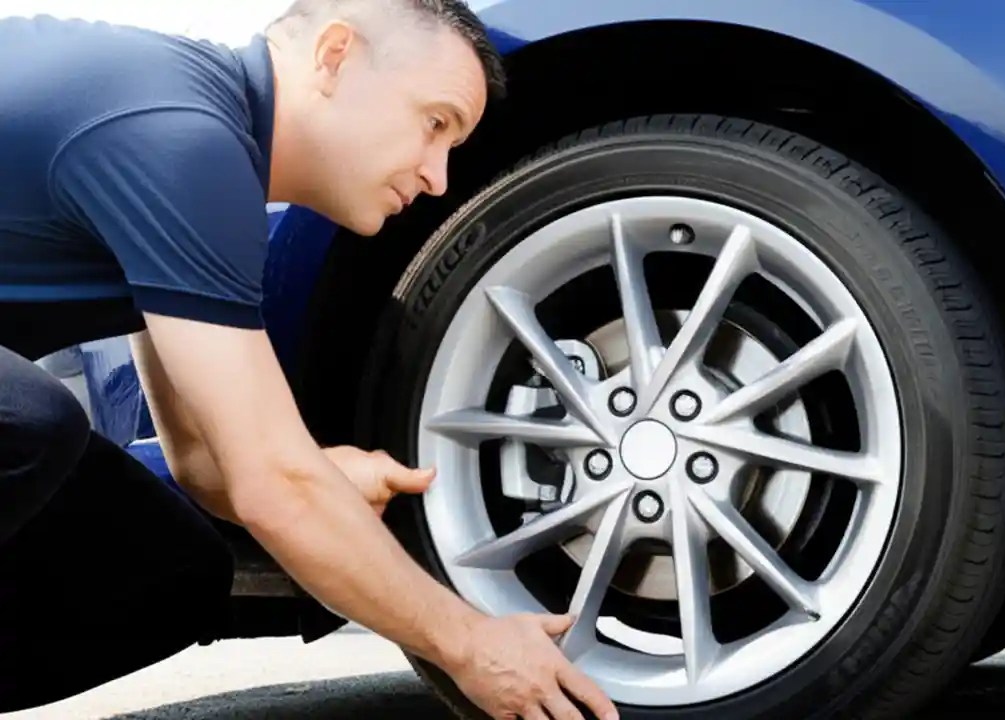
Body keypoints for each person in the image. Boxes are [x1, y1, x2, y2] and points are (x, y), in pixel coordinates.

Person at [0, 2, 619, 719]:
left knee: (172, 570)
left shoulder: (200, 170)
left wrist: (318, 475)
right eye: (434, 124)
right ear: (334, 57)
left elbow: (206, 462)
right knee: (24, 420)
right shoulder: (182, 137)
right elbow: (273, 486)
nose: (438, 176)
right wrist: (469, 646)